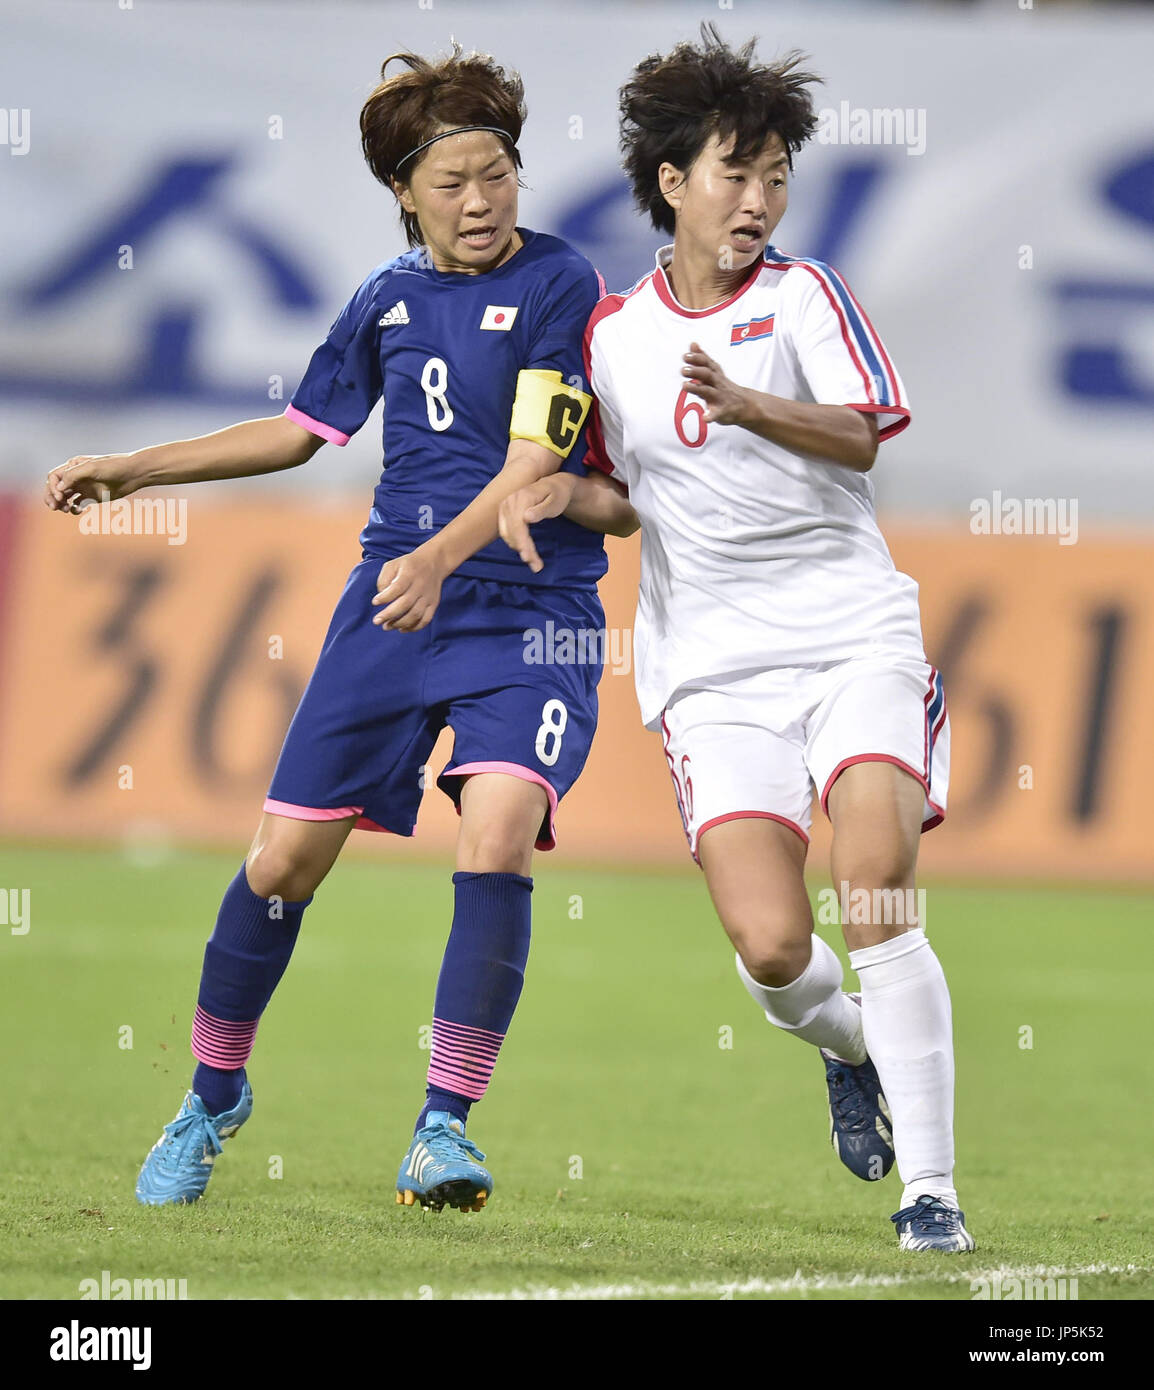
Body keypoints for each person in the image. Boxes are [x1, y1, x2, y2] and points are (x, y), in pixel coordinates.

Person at [44, 45, 634, 1215]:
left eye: (498, 174)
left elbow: (535, 461)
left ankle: (441, 1128)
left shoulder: (563, 283)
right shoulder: (383, 298)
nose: (480, 202)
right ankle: (211, 1097)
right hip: (393, 608)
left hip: (529, 613)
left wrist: (436, 553)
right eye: (454, 182)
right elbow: (301, 430)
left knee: (501, 825)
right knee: (280, 864)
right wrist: (131, 467)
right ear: (406, 194)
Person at [500, 26, 974, 1253]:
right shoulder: (609, 336)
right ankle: (858, 1048)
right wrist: (565, 498)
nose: (757, 200)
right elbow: (623, 493)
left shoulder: (803, 298)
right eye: (732, 173)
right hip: (709, 668)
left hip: (848, 635)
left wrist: (749, 398)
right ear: (670, 184)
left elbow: (864, 433)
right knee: (771, 948)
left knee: (870, 890)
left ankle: (932, 1198)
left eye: (773, 176)